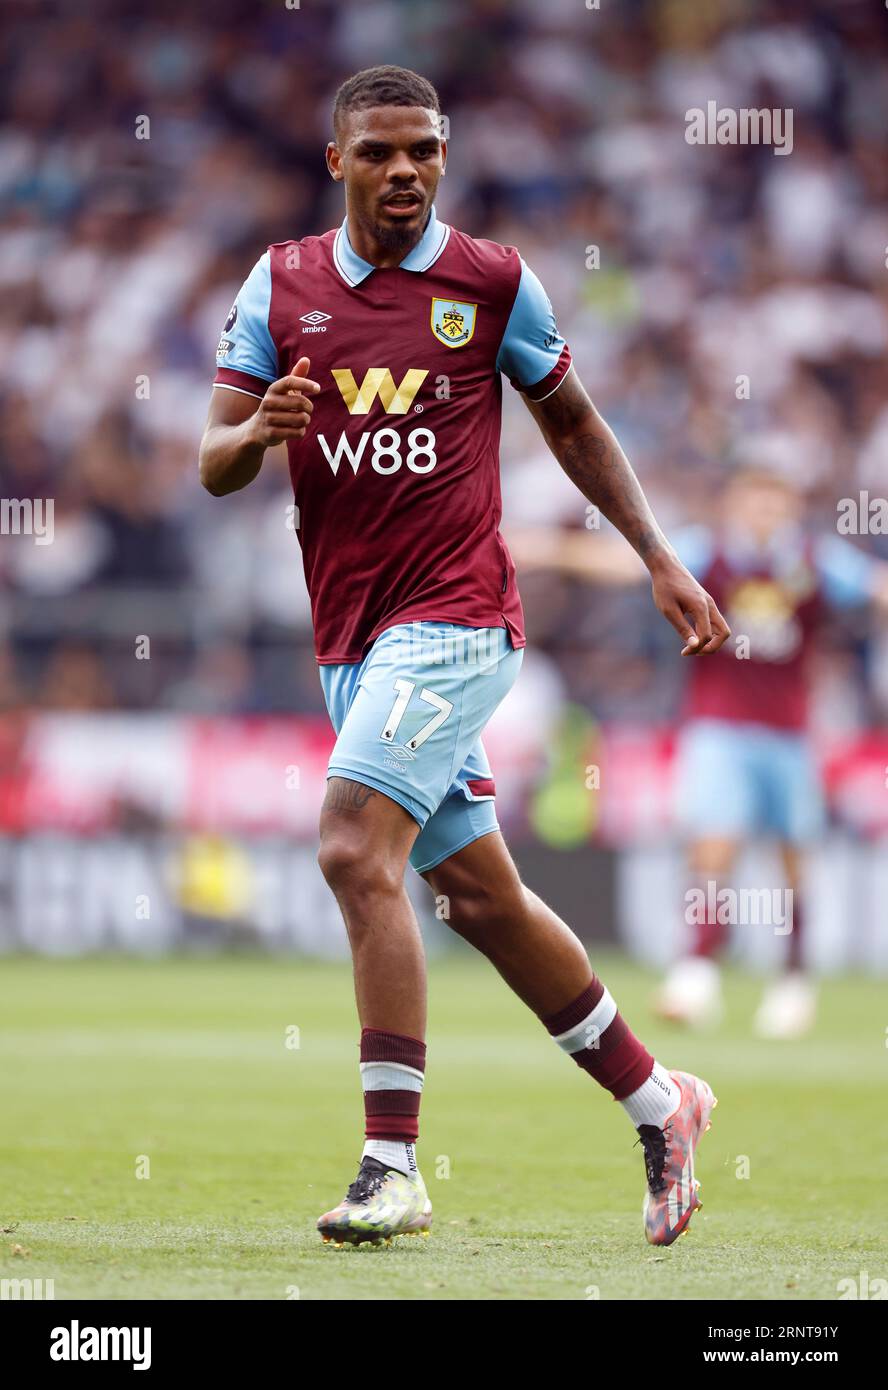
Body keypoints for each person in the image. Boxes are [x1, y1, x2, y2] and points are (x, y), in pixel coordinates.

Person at [198, 65, 729, 1248]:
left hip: (456, 619)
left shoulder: (490, 281)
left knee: (349, 845)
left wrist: (659, 555)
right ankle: (663, 1101)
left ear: (444, 156)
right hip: (352, 636)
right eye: (381, 152)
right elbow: (213, 459)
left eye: (425, 151)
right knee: (483, 898)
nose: (407, 172)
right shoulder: (278, 286)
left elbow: (577, 422)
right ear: (336, 161)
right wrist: (258, 432)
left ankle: (393, 1164)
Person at [511, 467, 888, 1038]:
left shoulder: (814, 560)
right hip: (719, 727)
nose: (762, 512)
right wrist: (548, 548)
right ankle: (697, 974)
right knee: (714, 847)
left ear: (788, 508)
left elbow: (875, 587)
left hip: (791, 733)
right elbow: (621, 563)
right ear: (734, 503)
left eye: (773, 501)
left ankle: (792, 980)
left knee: (792, 864)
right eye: (753, 499)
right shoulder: (701, 552)